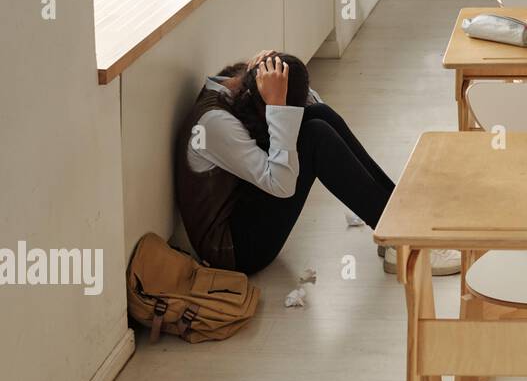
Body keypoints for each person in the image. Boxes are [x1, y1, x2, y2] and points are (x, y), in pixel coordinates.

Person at [174, 51, 461, 277]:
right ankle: (402, 243)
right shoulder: (216, 123)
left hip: (244, 208)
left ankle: (400, 220)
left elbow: (308, 107)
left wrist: (278, 83)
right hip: (235, 250)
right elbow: (281, 184)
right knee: (315, 137)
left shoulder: (237, 88)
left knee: (318, 115)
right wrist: (279, 108)